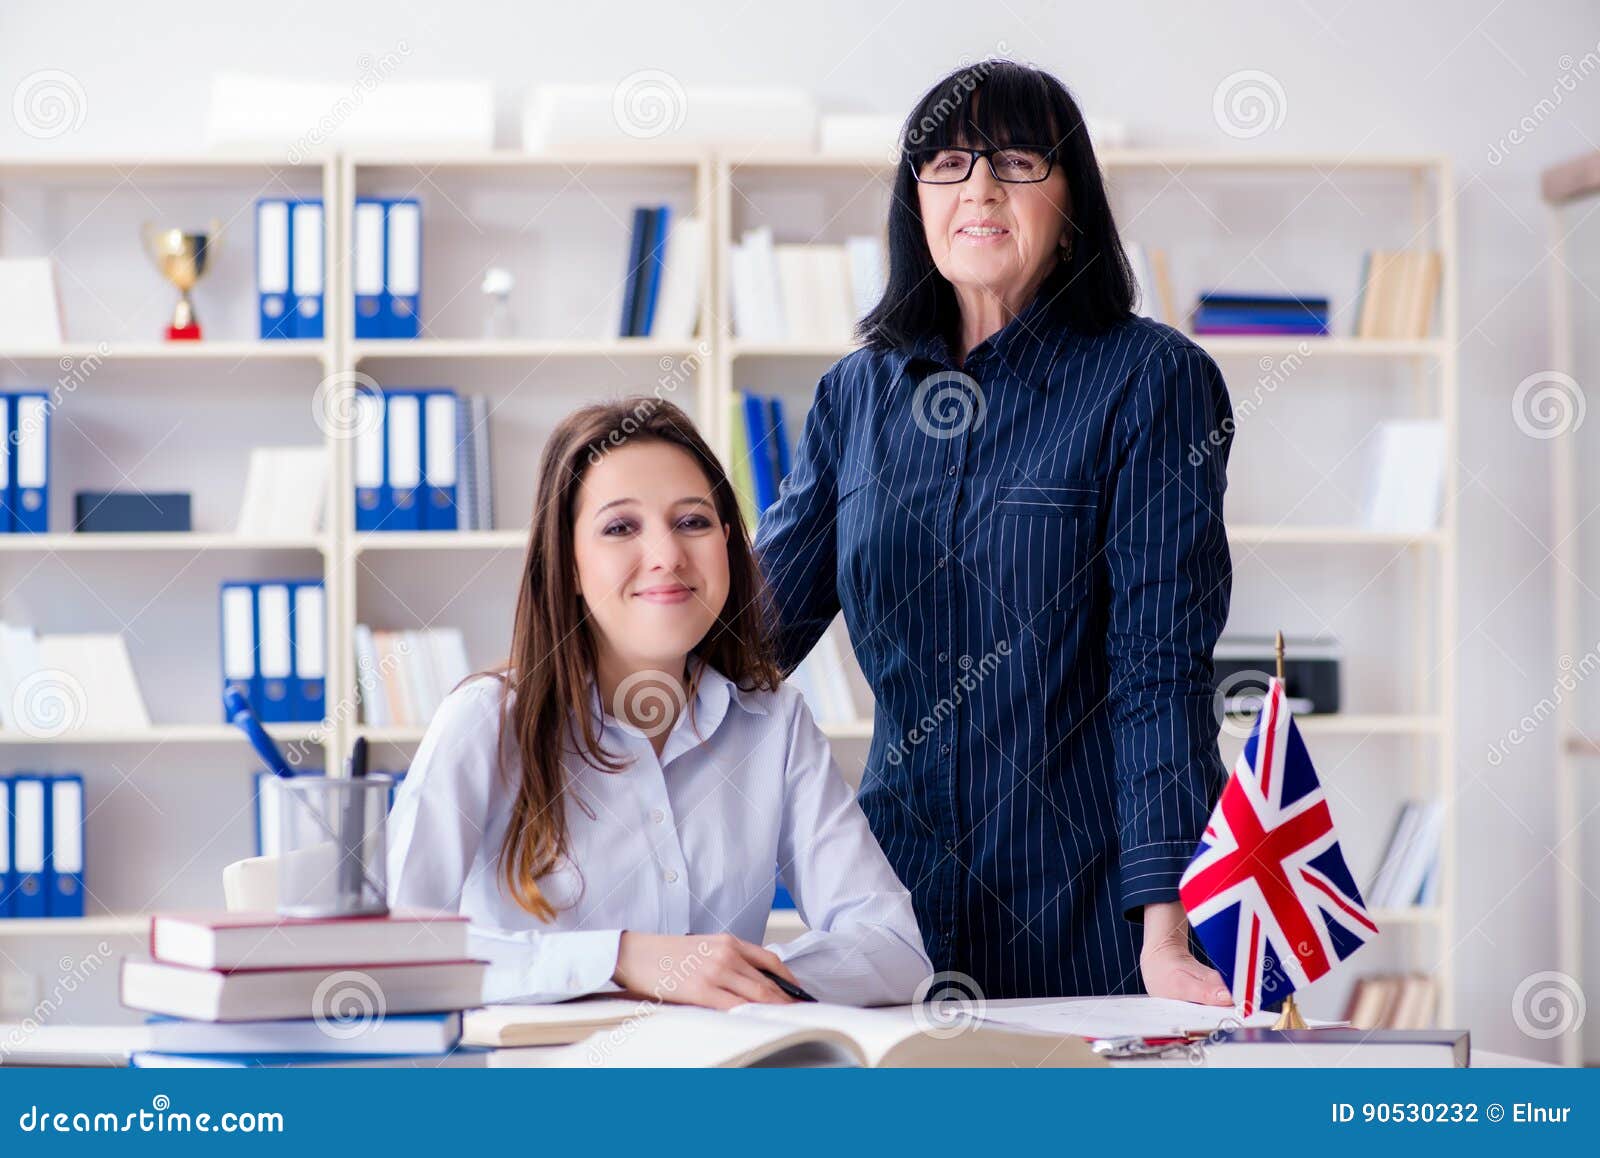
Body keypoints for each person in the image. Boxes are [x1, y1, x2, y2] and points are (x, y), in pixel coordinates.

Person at [757, 59, 1236, 1004]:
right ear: (914, 199)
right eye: (946, 164)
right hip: (895, 910)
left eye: (1016, 160)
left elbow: (1160, 670)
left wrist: (1165, 929)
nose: (979, 188)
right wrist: (556, 698)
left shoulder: (1152, 381)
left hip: (1092, 910)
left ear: (1073, 202)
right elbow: (751, 635)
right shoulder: (854, 396)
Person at [387, 398, 932, 1007]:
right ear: (567, 562)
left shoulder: (773, 723)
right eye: (621, 528)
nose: (667, 555)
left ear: (728, 543)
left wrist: (740, 977)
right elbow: (394, 950)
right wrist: (620, 958)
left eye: (693, 523)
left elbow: (894, 947)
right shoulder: (486, 723)